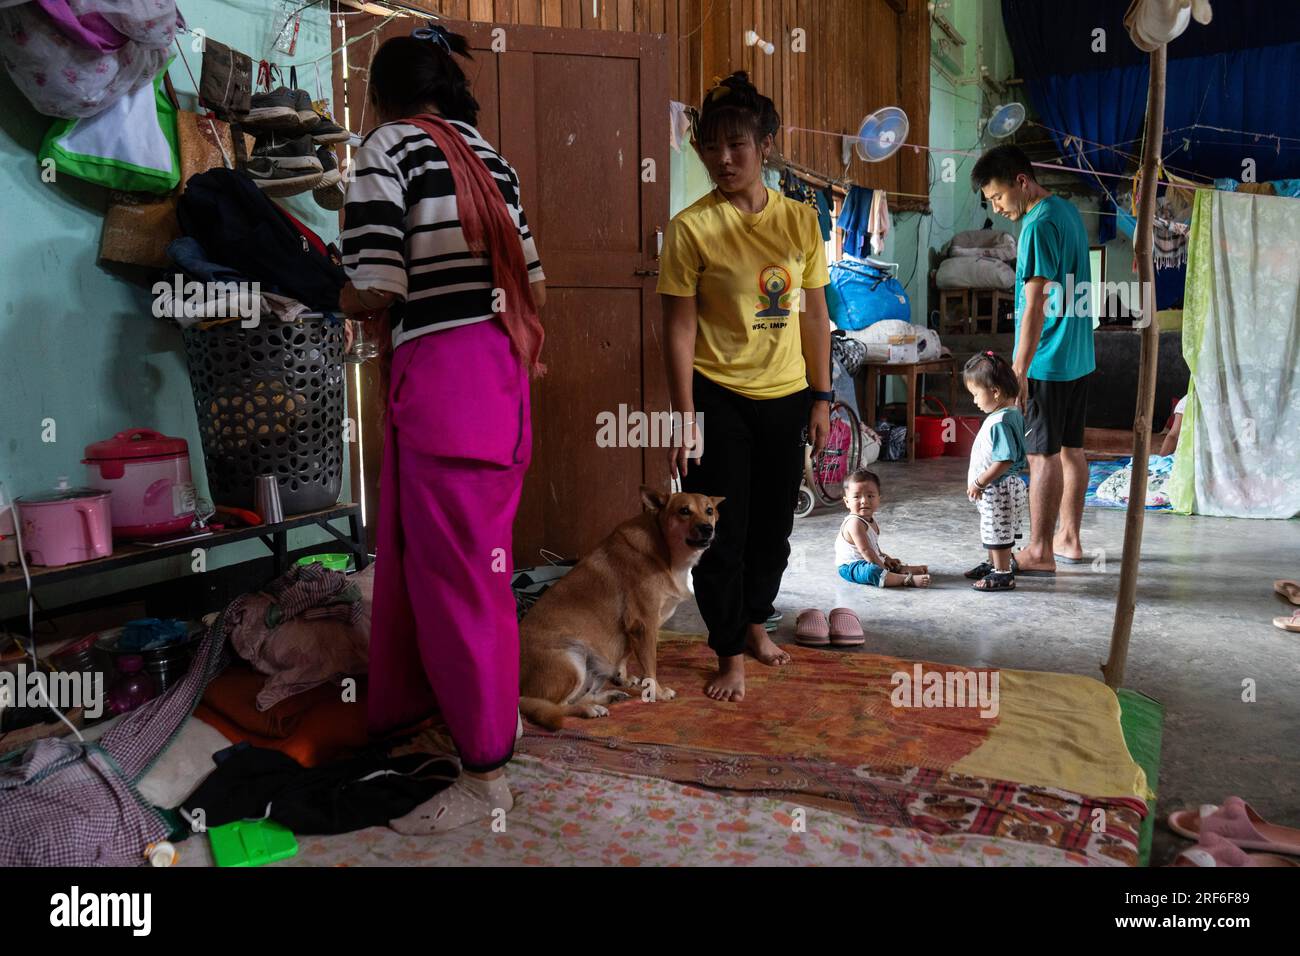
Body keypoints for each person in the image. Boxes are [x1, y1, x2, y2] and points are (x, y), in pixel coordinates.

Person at [338, 27, 546, 833]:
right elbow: (532, 280)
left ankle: (486, 770)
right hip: (500, 382)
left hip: (443, 391)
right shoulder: (489, 158)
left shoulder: (383, 149)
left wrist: (317, 281)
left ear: (380, 93)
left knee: (456, 586)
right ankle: (464, 717)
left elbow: (377, 288)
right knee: (466, 571)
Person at [657, 71, 831, 703]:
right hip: (717, 397)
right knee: (719, 534)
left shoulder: (801, 222)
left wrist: (821, 394)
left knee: (773, 527)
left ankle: (757, 623)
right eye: (710, 147)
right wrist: (683, 418)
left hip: (786, 398)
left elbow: (815, 314)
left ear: (765, 145)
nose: (722, 159)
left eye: (736, 145)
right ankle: (727, 649)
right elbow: (678, 330)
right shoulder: (690, 229)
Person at [971, 143, 1093, 576]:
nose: (998, 207)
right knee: (1071, 451)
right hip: (1078, 354)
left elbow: (1036, 304)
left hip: (1048, 357)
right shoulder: (1067, 213)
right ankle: (1069, 540)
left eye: (999, 197)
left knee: (1042, 456)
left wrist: (1018, 371)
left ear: (1022, 181)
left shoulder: (1037, 226)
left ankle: (1040, 550)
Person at [962, 351, 1028, 592]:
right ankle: (994, 564)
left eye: (976, 394)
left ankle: (1002, 573)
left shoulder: (1000, 422)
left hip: (998, 488)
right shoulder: (1010, 413)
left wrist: (980, 482)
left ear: (996, 391)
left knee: (998, 532)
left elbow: (1004, 460)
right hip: (1000, 487)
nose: (974, 401)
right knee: (995, 528)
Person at [836, 469, 931, 588]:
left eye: (870, 496)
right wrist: (883, 568)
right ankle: (905, 579)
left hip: (867, 559)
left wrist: (885, 558)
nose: (864, 501)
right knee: (872, 572)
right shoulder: (854, 523)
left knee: (887, 561)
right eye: (856, 497)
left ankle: (899, 569)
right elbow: (866, 551)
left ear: (878, 498)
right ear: (847, 502)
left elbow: (873, 547)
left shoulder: (870, 520)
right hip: (851, 567)